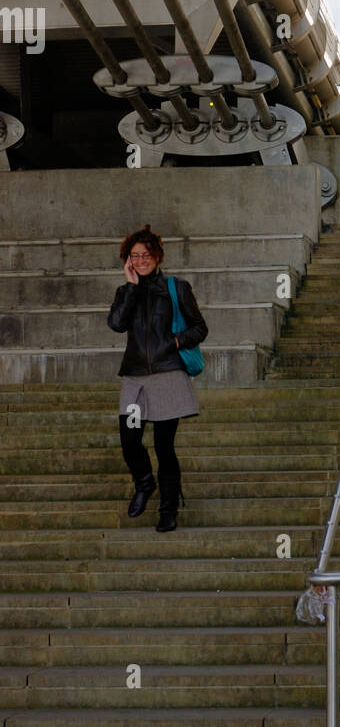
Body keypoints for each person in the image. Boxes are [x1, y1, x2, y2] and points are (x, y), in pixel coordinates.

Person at [108, 225, 207, 532]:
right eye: (135, 256)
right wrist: (132, 287)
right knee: (130, 438)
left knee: (164, 447)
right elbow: (116, 324)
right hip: (136, 379)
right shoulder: (126, 292)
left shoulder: (176, 288)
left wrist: (175, 342)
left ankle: (168, 509)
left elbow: (199, 328)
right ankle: (144, 482)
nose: (141, 260)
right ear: (128, 260)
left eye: (146, 255)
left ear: (158, 256)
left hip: (167, 376)